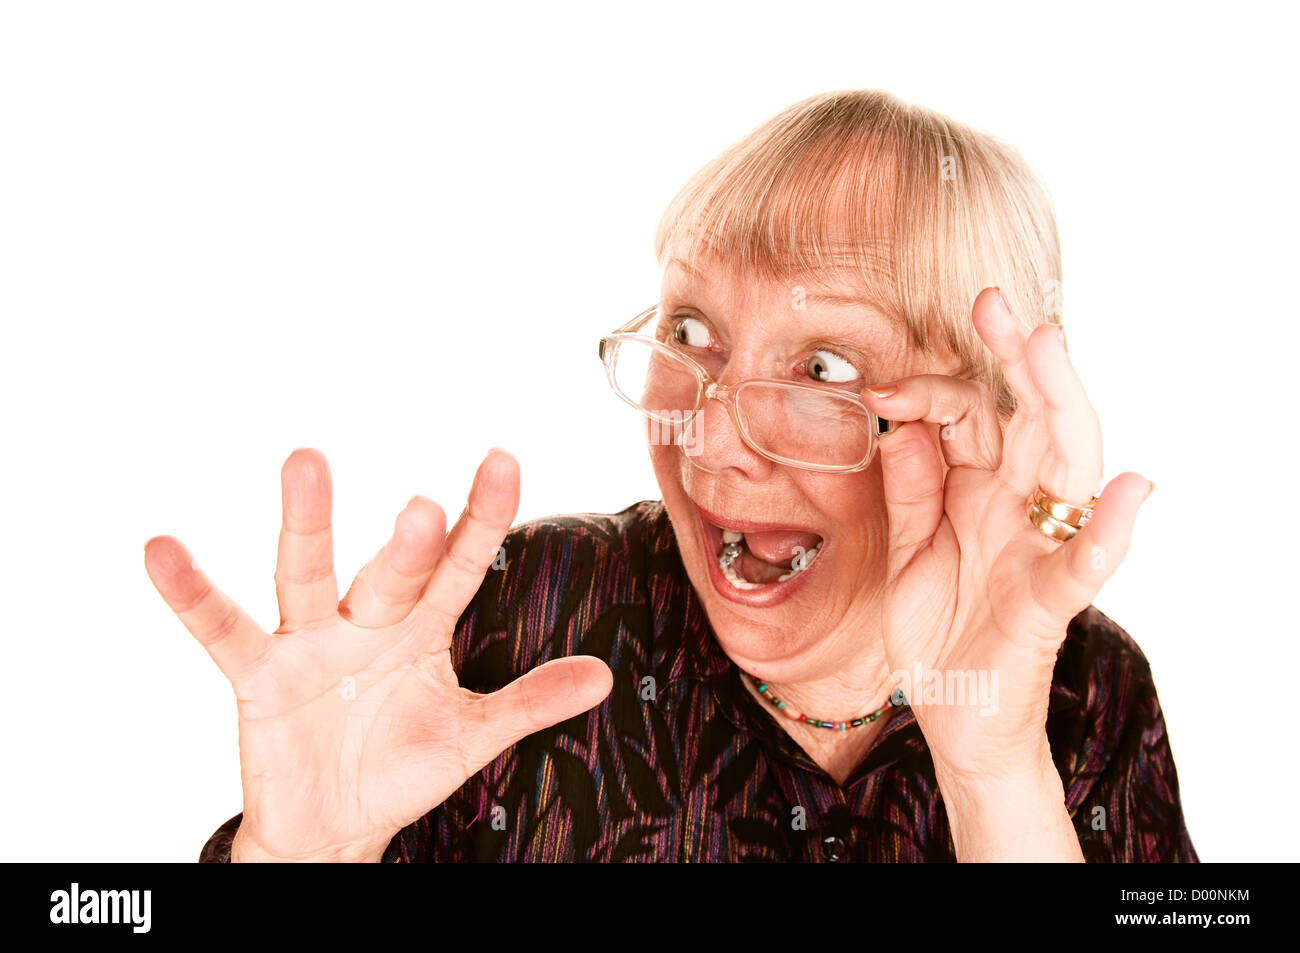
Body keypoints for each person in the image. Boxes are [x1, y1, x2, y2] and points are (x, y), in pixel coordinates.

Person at [145, 88, 1197, 862]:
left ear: (977, 422)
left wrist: (990, 761)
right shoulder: (519, 618)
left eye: (823, 365)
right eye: (690, 329)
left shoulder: (1083, 695)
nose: (711, 438)